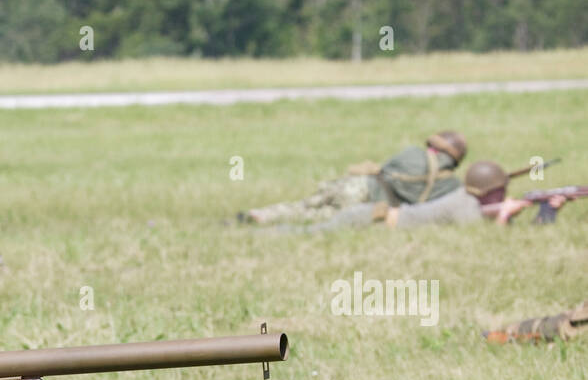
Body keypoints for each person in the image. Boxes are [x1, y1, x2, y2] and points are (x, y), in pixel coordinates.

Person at [242, 131, 467, 226]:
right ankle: (267, 226)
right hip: (368, 201)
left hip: (355, 184)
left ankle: (260, 214)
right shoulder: (449, 184)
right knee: (317, 218)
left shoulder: (412, 153)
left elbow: (386, 169)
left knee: (304, 205)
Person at [311, 159, 567, 231]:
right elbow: (490, 241)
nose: (505, 194)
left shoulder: (468, 198)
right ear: (489, 192)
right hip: (369, 220)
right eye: (500, 191)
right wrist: (505, 215)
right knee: (308, 232)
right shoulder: (464, 208)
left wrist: (548, 211)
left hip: (376, 219)